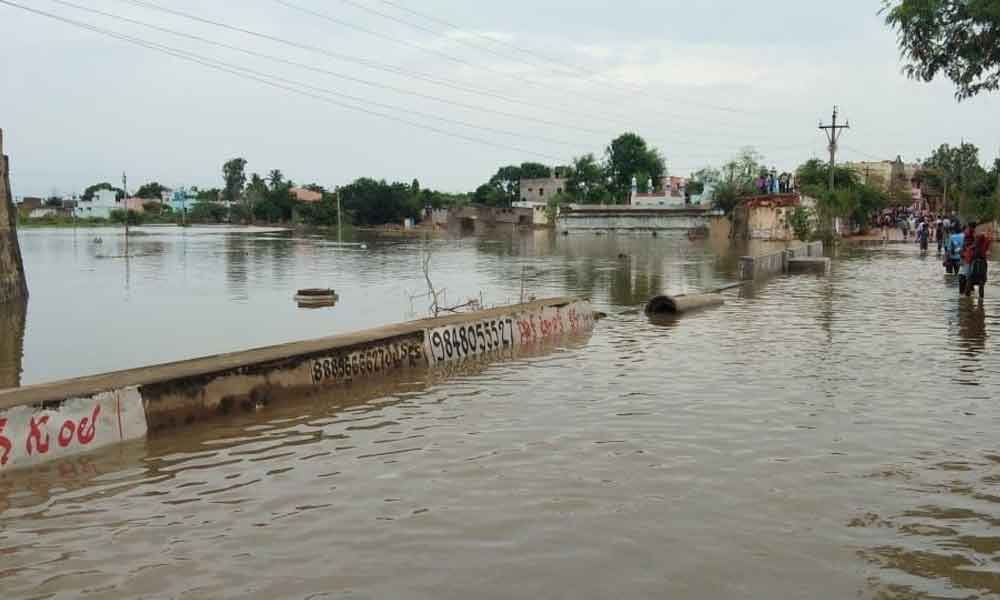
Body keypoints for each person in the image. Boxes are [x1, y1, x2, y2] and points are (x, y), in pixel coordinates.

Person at [966, 225, 991, 300]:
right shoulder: (985, 242)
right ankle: (981, 302)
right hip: (982, 264)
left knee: (969, 280)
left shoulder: (975, 244)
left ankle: (967, 300)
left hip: (974, 264)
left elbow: (970, 252)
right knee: (982, 283)